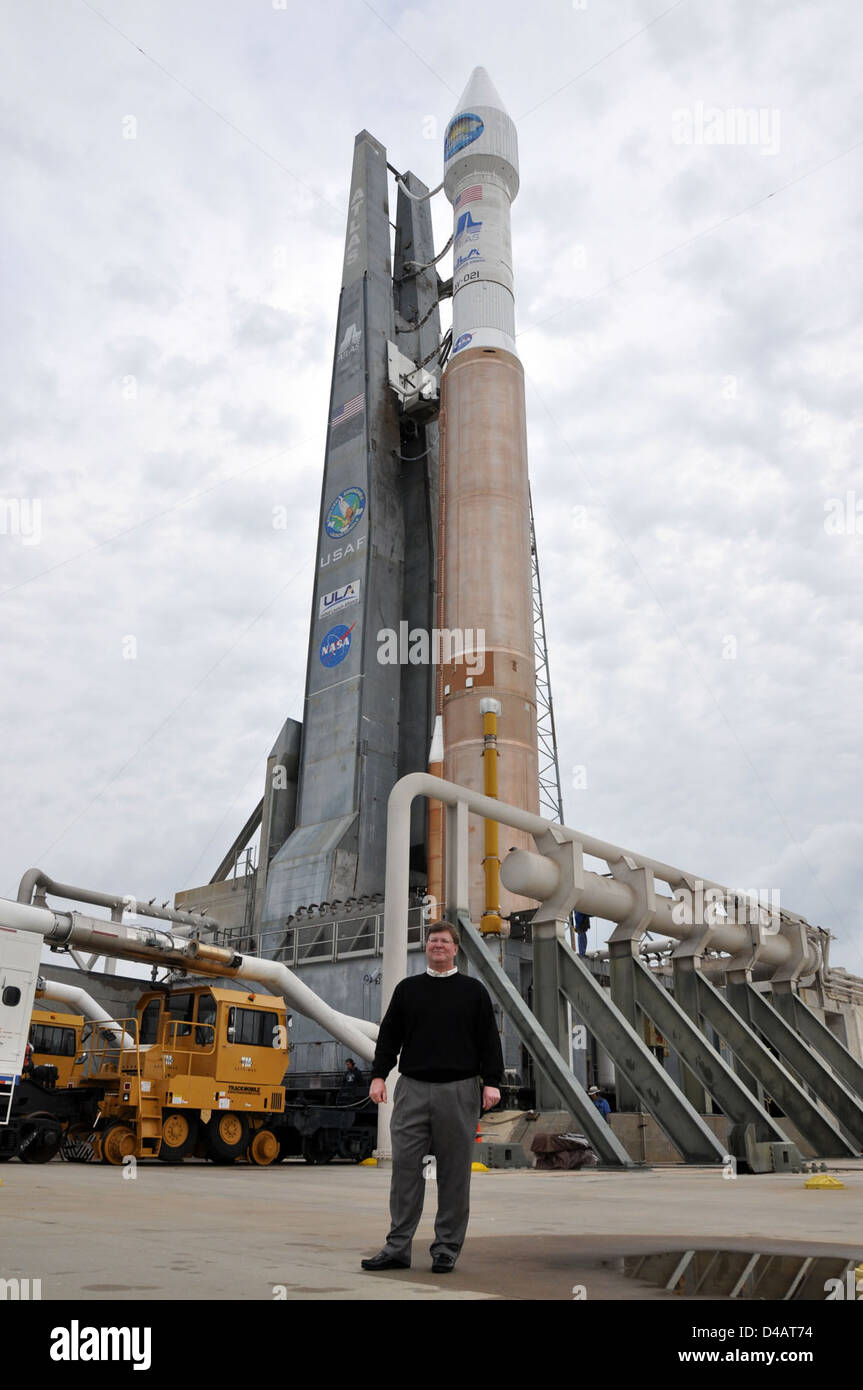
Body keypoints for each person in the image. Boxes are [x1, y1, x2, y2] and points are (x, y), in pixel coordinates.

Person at [361, 921, 503, 1275]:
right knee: (405, 1172)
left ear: (456, 949)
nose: (437, 945)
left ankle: (446, 1250)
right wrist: (378, 1075)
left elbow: (489, 1039)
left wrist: (493, 1082)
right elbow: (389, 1036)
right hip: (412, 1088)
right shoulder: (408, 990)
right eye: (432, 941)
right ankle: (397, 1249)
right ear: (426, 948)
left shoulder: (474, 992)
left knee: (454, 1175)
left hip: (460, 1090)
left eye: (444, 941)